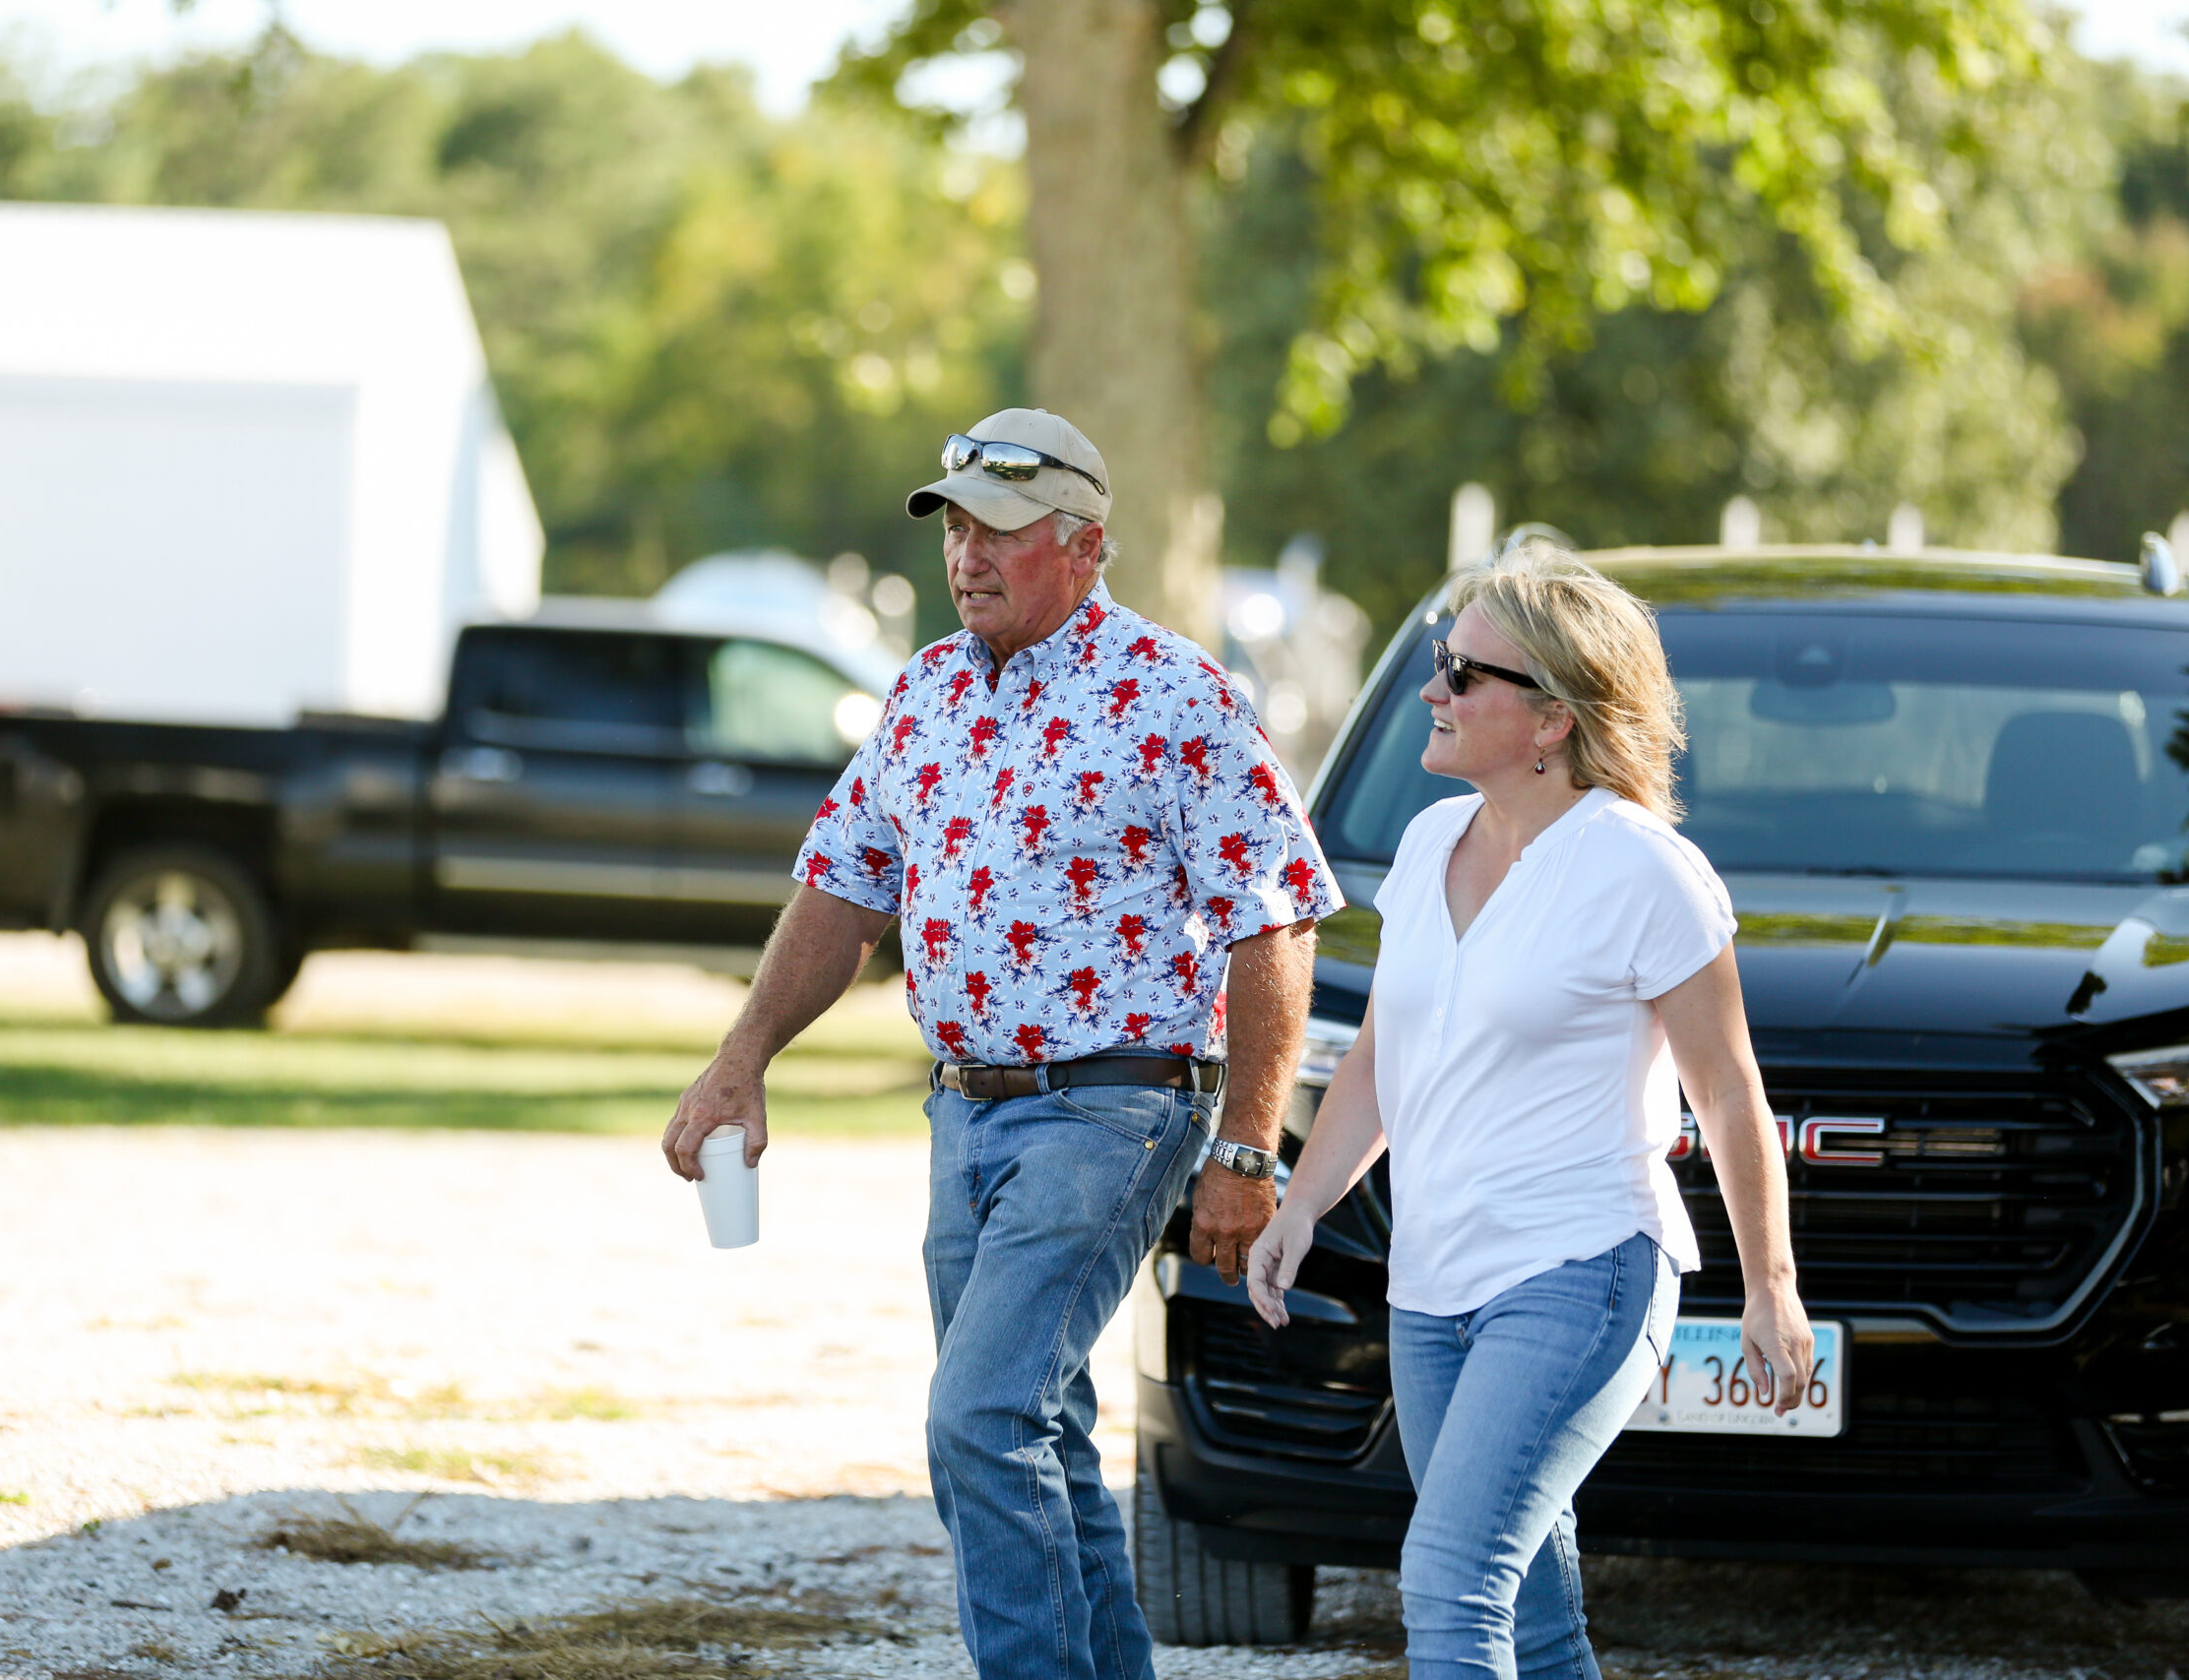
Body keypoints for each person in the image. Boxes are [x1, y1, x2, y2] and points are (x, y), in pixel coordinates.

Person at [663, 407, 1342, 1680]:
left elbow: (1273, 915)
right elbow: (843, 885)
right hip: (965, 1108)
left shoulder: (1174, 690)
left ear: (1086, 545)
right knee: (1039, 1423)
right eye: (957, 526)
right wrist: (740, 1055)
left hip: (1118, 1106)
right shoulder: (924, 687)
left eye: (1003, 532)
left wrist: (1247, 1149)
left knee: (979, 1418)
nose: (969, 554)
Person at [1244, 541, 1814, 1680]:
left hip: (1582, 1267)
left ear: (1551, 719)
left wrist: (1771, 1290)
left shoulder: (1642, 871)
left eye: (1463, 674)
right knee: (1536, 1619)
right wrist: (1299, 1205)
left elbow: (1731, 1096)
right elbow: (1380, 1059)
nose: (1432, 690)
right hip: (1432, 1283)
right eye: (1438, 663)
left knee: (1451, 1584)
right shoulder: (1425, 842)